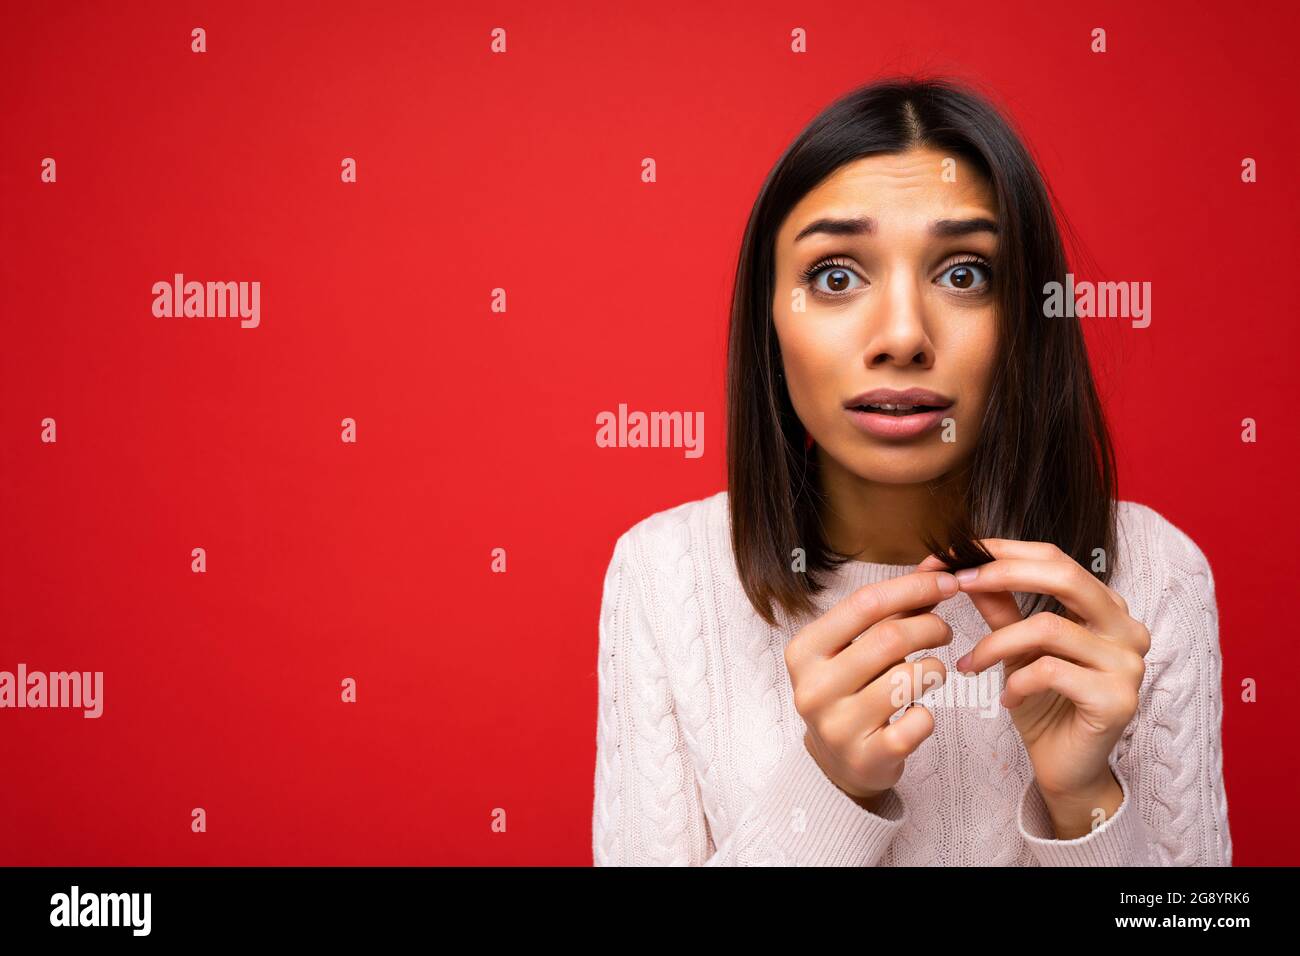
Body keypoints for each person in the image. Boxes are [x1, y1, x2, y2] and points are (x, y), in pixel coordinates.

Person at [591, 76, 1232, 866]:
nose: (901, 336)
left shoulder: (1154, 574)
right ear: (769, 318)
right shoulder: (666, 576)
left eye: (963, 274)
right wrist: (829, 792)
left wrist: (1087, 806)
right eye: (835, 276)